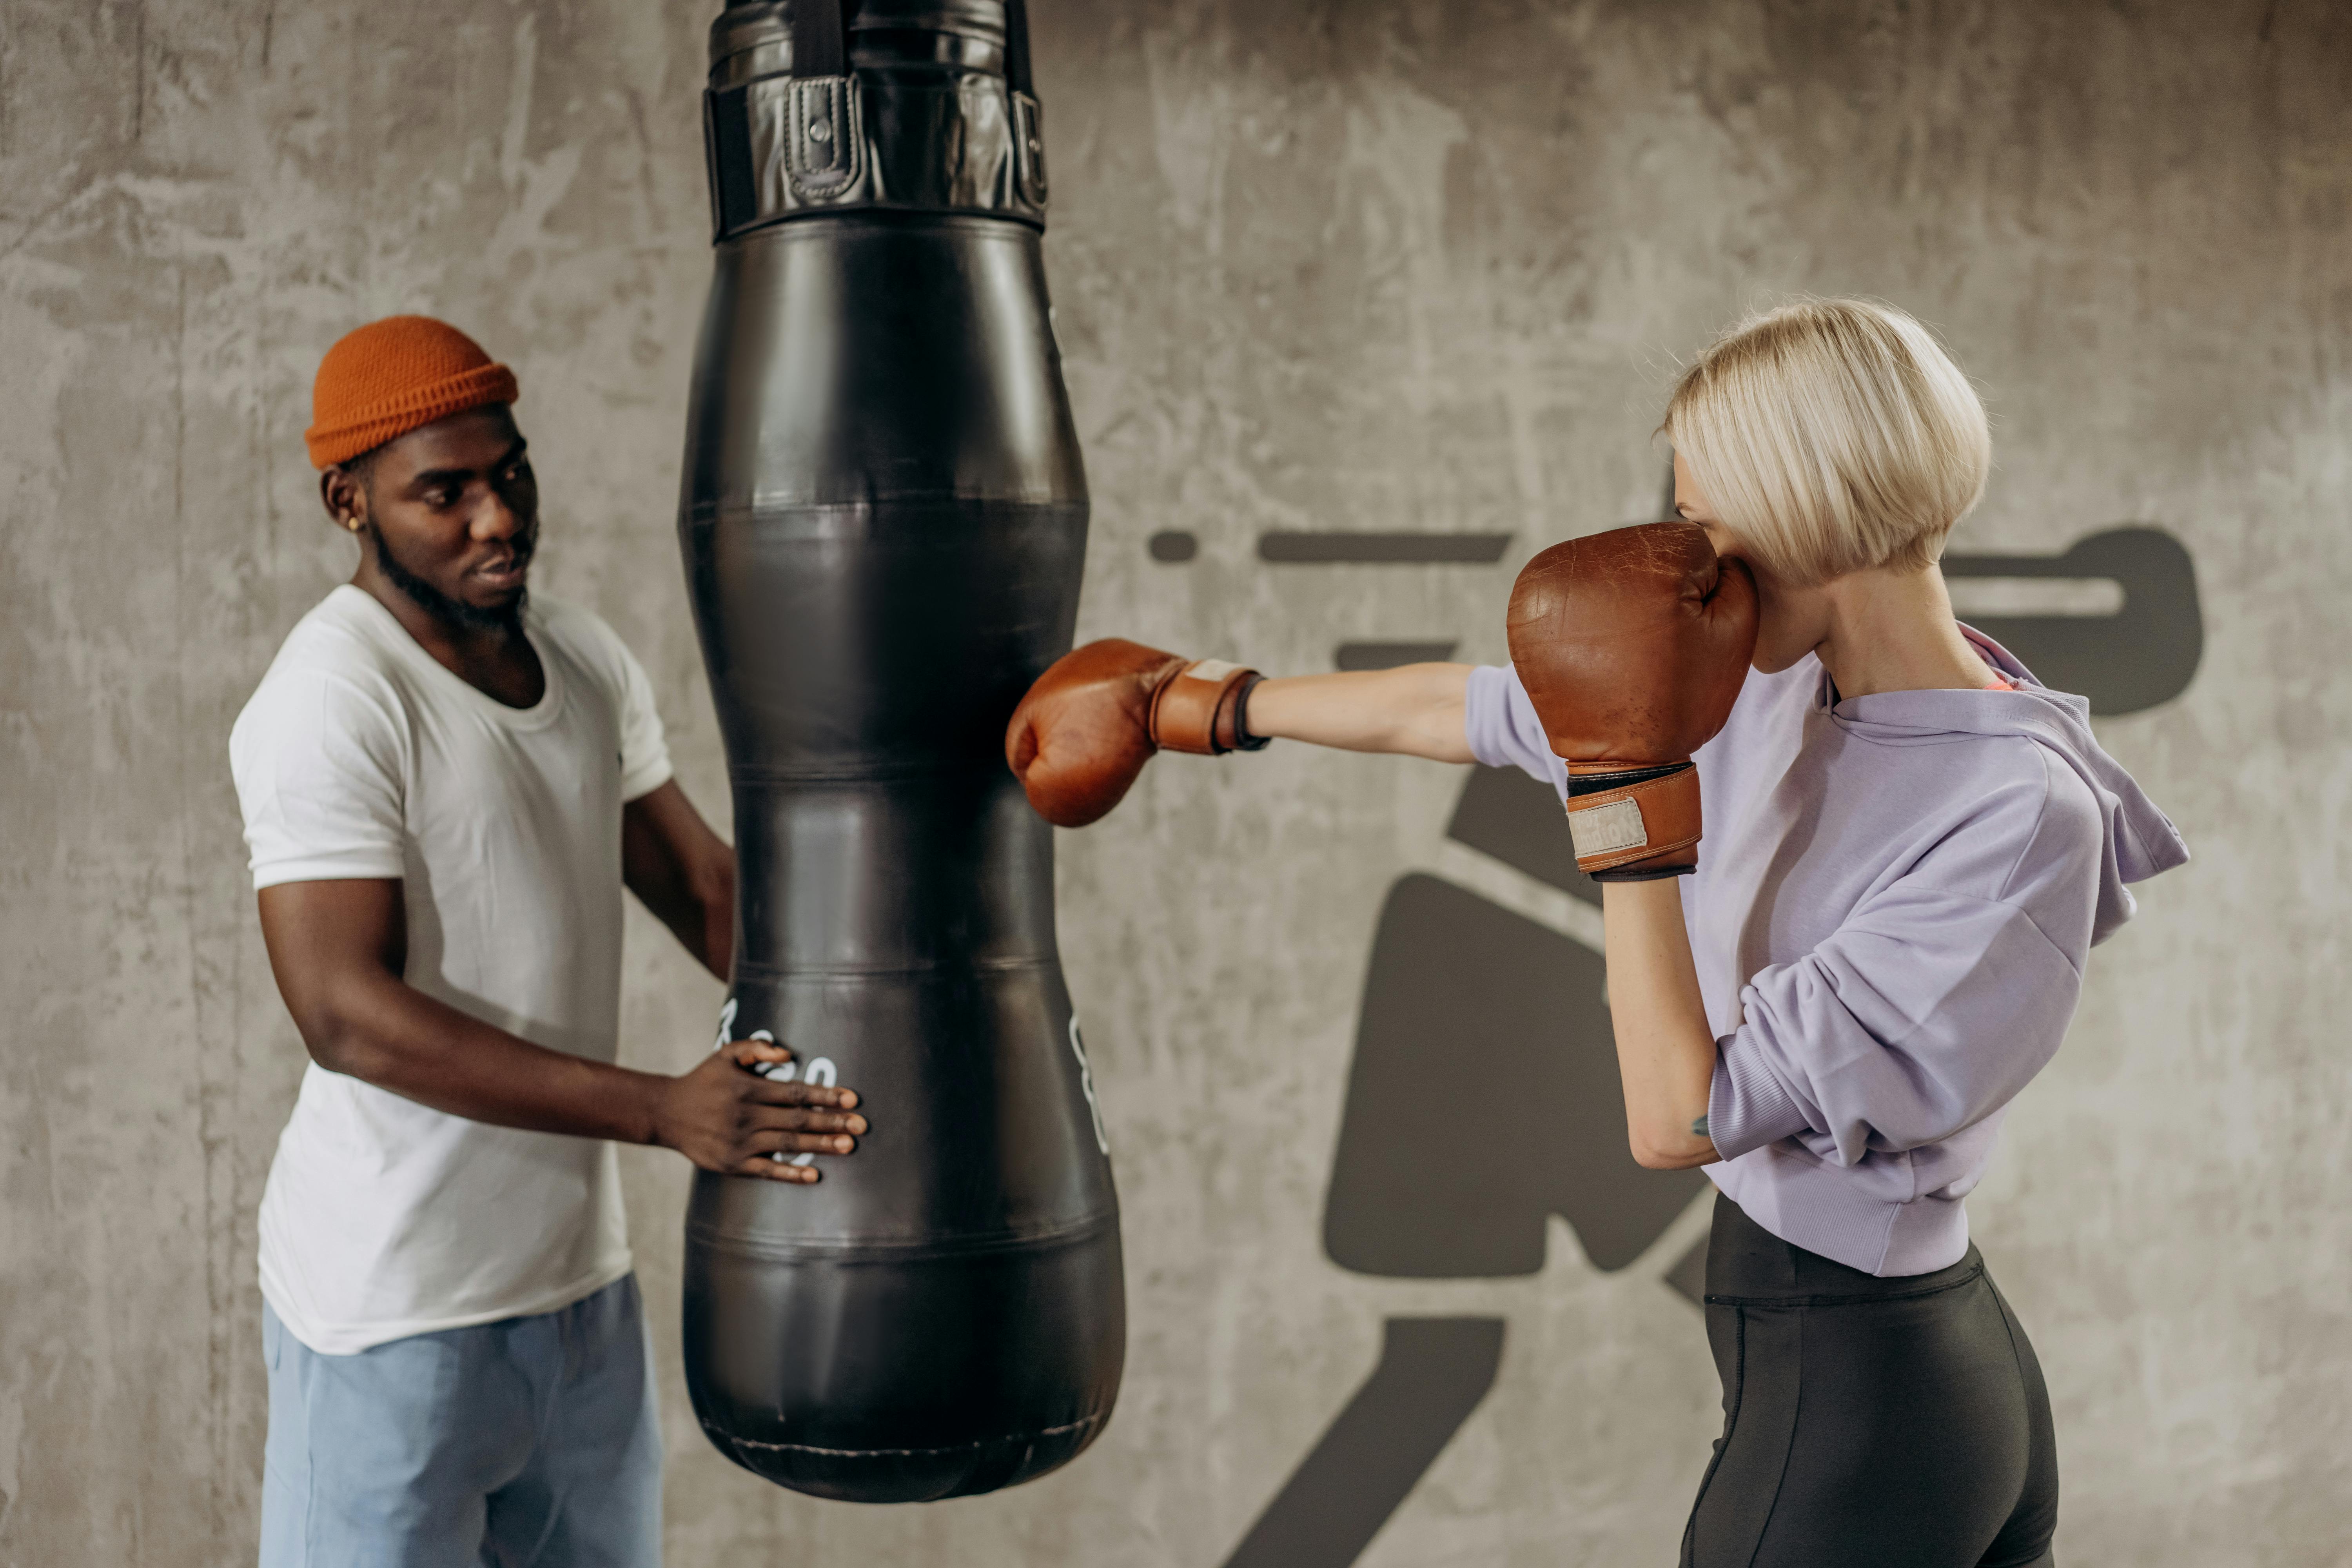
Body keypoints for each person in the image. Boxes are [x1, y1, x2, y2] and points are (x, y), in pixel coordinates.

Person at [1008, 298, 2186, 1567]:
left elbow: (1678, 1116)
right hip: (1849, 1356)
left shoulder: (2013, 812)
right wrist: (1200, 703)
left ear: (1809, 510)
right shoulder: (1772, 683)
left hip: (1866, 1394)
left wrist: (1632, 802)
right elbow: (1457, 711)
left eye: (1704, 519)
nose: (1686, 555)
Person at [229, 316, 867, 1566]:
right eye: (444, 493)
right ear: (347, 501)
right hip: (393, 1311)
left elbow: (703, 889)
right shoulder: (329, 696)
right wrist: (663, 1113)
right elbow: (343, 1012)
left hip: (580, 1304)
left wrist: (889, 1022)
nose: (496, 519)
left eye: (509, 472)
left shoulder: (578, 653)